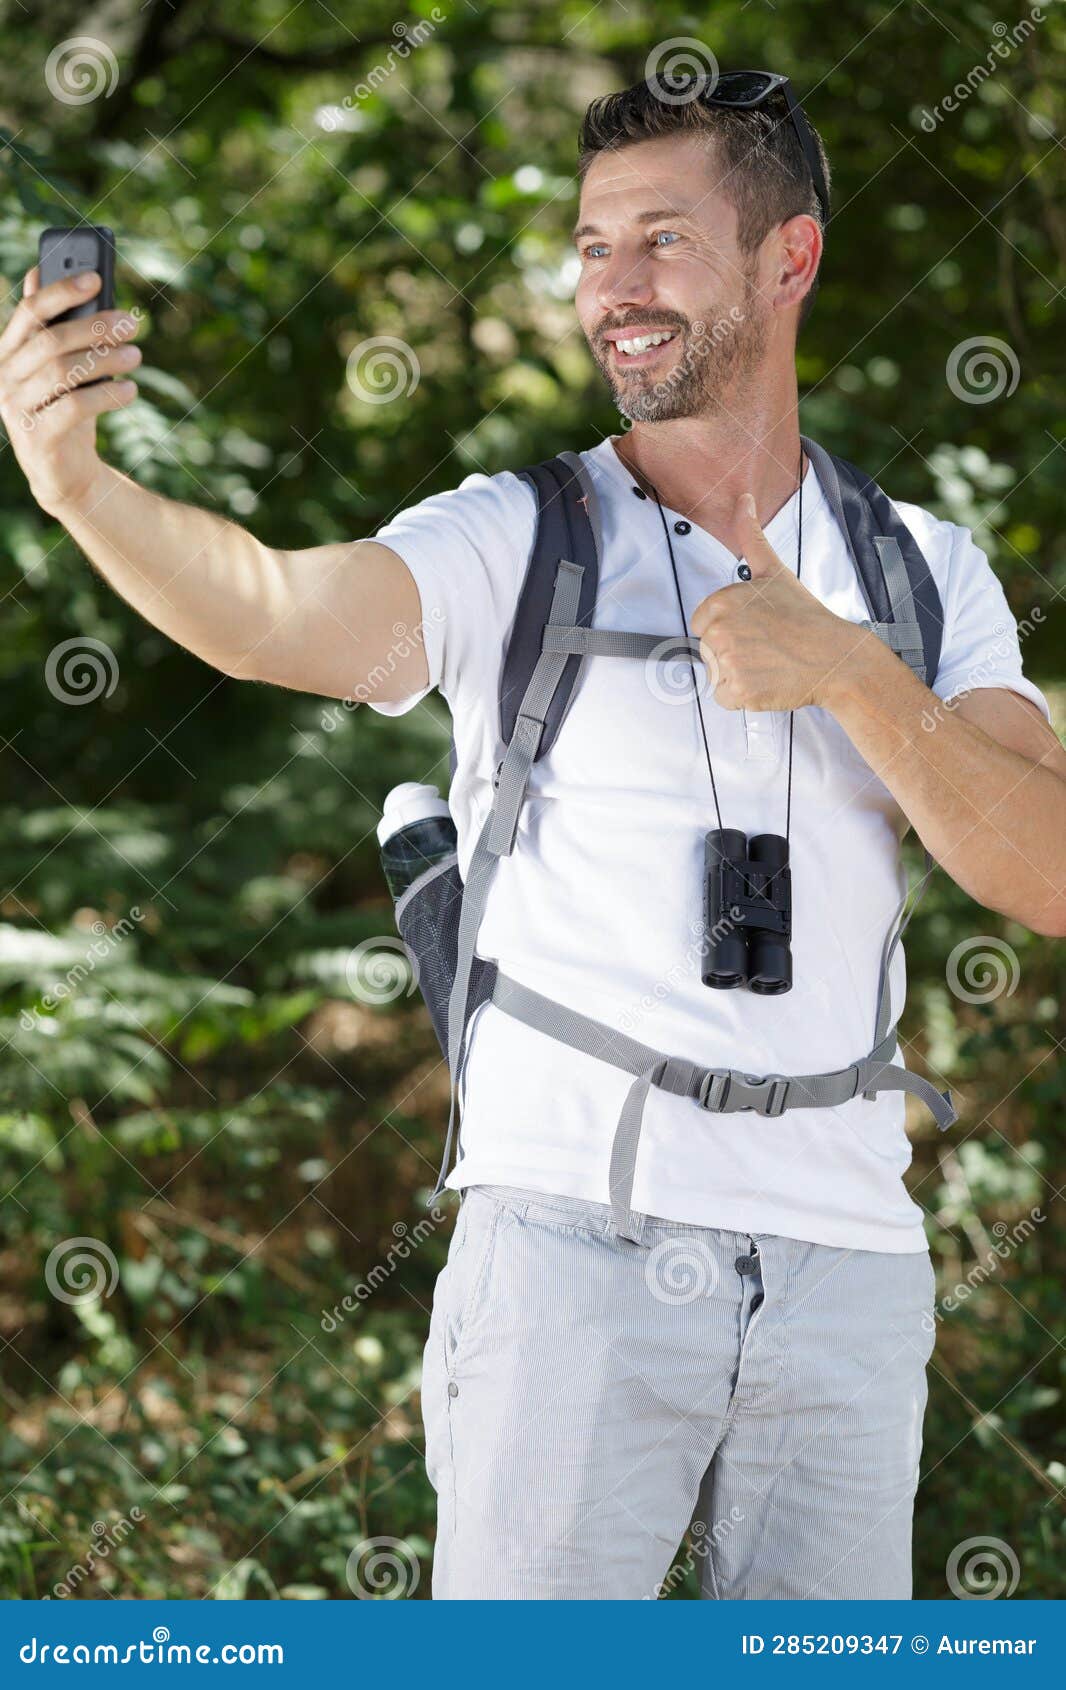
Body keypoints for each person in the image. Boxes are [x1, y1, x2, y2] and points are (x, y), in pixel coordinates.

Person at [2, 70, 1063, 1603]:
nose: (611, 288)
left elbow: (1037, 867)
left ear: (790, 259)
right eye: (588, 246)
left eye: (660, 239)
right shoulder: (520, 536)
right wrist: (81, 489)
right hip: (573, 1250)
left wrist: (847, 671)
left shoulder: (917, 571)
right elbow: (278, 615)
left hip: (847, 1265)